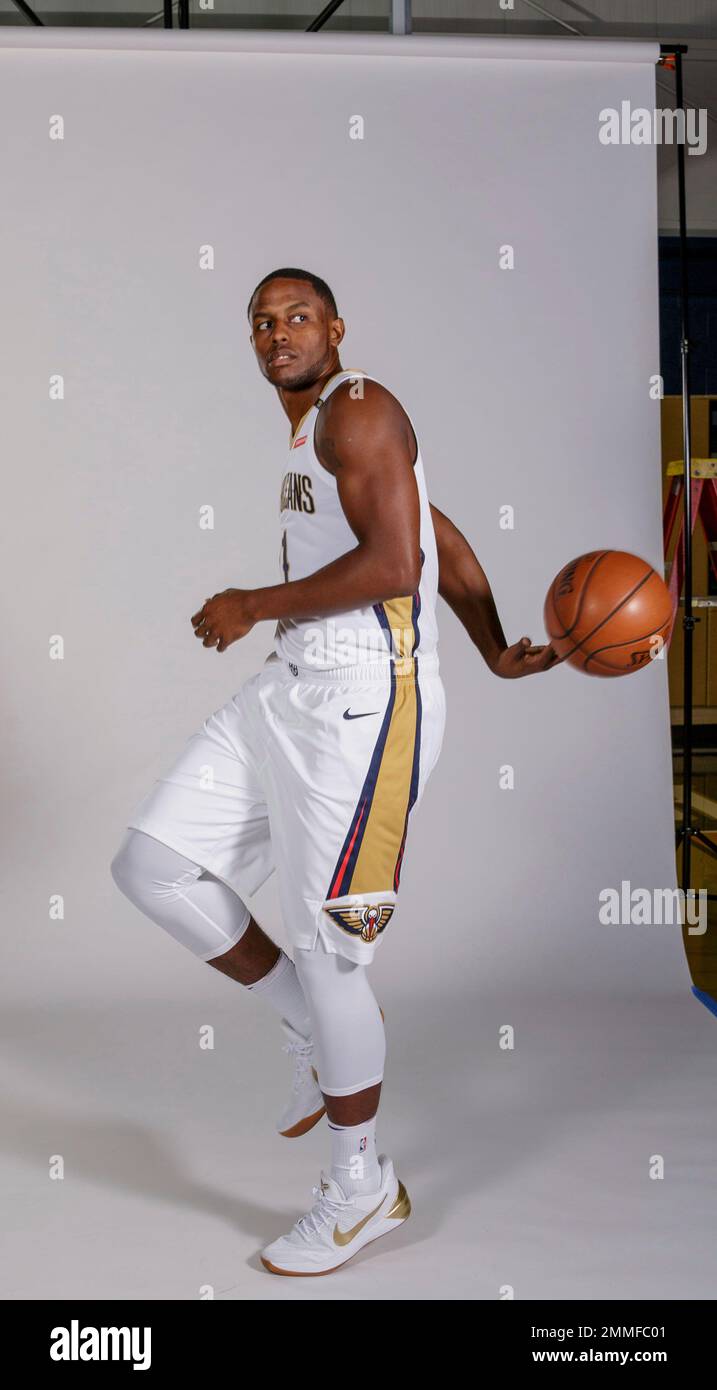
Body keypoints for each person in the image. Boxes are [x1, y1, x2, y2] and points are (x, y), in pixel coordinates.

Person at [111, 268, 559, 1276]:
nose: (278, 333)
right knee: (154, 864)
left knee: (331, 947)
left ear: (337, 328)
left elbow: (400, 561)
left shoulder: (357, 411)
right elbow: (436, 532)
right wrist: (491, 642)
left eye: (297, 315)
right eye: (263, 322)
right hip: (295, 685)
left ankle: (361, 1186)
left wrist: (250, 600)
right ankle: (312, 1029)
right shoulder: (316, 427)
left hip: (366, 700)